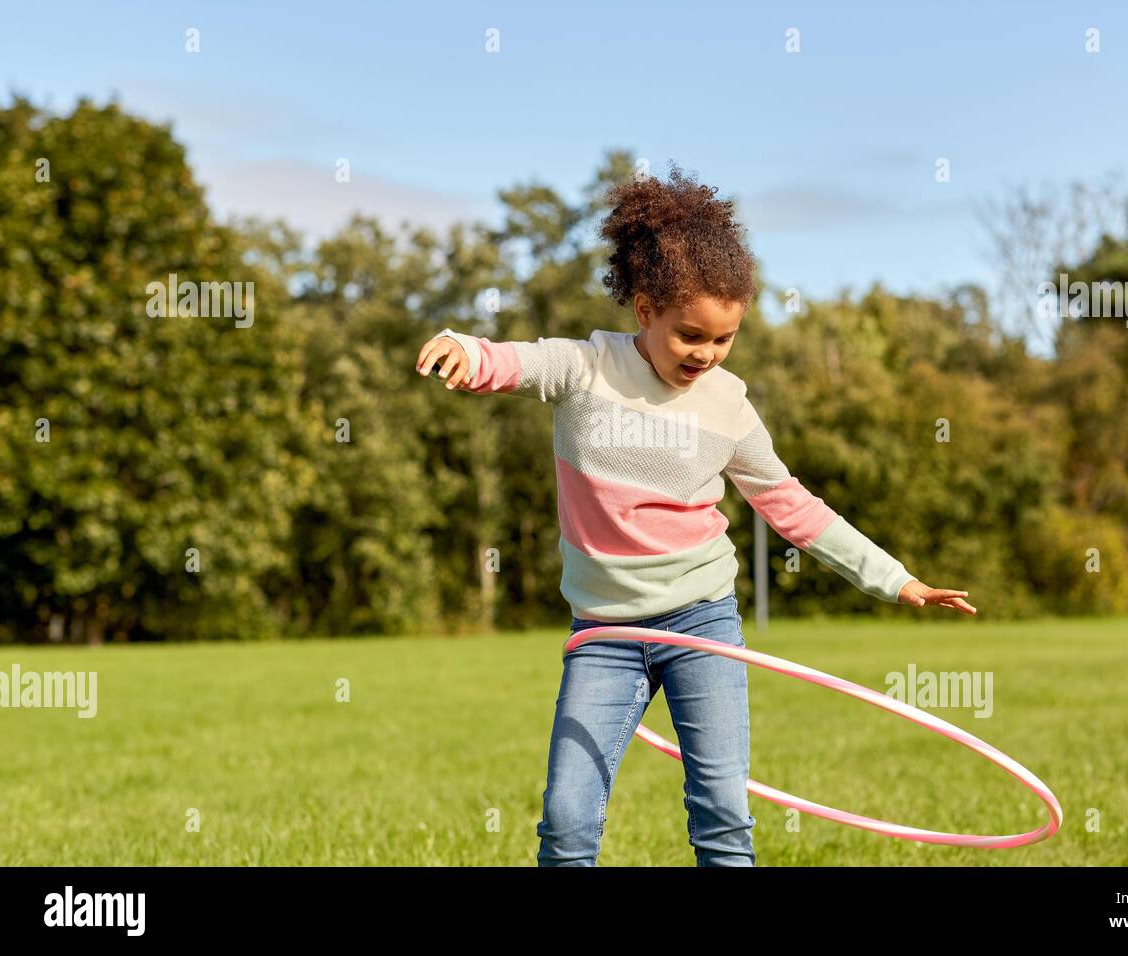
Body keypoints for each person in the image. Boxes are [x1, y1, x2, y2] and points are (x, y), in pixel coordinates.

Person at [415, 166, 976, 867]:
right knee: (565, 820)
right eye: (690, 336)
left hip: (701, 619)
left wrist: (898, 581)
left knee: (721, 811)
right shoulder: (585, 369)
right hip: (603, 630)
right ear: (645, 310)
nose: (705, 356)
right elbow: (515, 359)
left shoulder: (729, 407)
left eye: (724, 340)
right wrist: (464, 349)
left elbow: (792, 506)